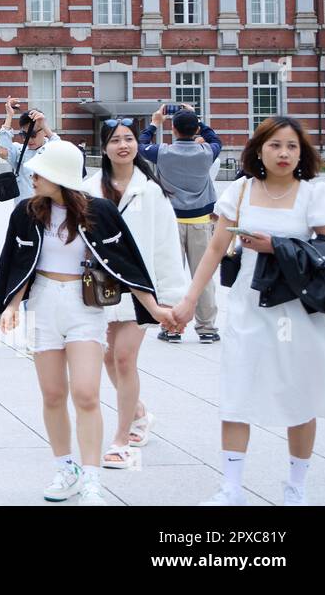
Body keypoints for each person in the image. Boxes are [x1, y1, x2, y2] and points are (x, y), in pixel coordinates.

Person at [0, 140, 173, 506]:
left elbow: (127, 262)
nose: (33, 174)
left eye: (41, 171)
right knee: (53, 394)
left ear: (59, 175)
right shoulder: (27, 213)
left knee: (87, 394)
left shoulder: (99, 211)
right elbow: (15, 262)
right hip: (44, 304)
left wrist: (155, 309)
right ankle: (66, 468)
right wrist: (10, 306)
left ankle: (92, 478)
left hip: (84, 307)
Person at [173, 117, 325, 507]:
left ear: (303, 153)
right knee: (237, 388)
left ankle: (296, 487)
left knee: (299, 393)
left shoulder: (314, 192)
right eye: (275, 145)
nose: (284, 154)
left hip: (297, 308)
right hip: (248, 303)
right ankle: (231, 487)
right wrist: (190, 299)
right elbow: (214, 249)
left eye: (292, 146)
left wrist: (276, 245)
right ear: (258, 148)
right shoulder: (242, 191)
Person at [83, 118, 189, 470]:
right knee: (108, 358)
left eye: (129, 139)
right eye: (115, 140)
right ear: (105, 147)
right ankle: (140, 411)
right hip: (100, 288)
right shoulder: (88, 189)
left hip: (139, 290)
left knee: (125, 359)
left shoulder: (151, 191)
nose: (123, 145)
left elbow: (165, 246)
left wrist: (169, 299)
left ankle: (121, 437)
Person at [138, 104, 222, 344]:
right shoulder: (207, 151)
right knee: (202, 277)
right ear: (195, 129)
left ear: (172, 129)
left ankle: (172, 327)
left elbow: (141, 144)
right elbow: (215, 138)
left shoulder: (163, 152)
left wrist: (155, 122)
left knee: (171, 276)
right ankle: (207, 328)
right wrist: (197, 119)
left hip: (171, 221)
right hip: (200, 222)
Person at [0, 97, 62, 203]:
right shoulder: (19, 151)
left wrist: (44, 124)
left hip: (48, 211)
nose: (28, 139)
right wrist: (9, 116)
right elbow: (1, 151)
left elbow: (61, 150)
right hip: (24, 210)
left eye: (33, 134)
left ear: (44, 131)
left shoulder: (51, 149)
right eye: (24, 134)